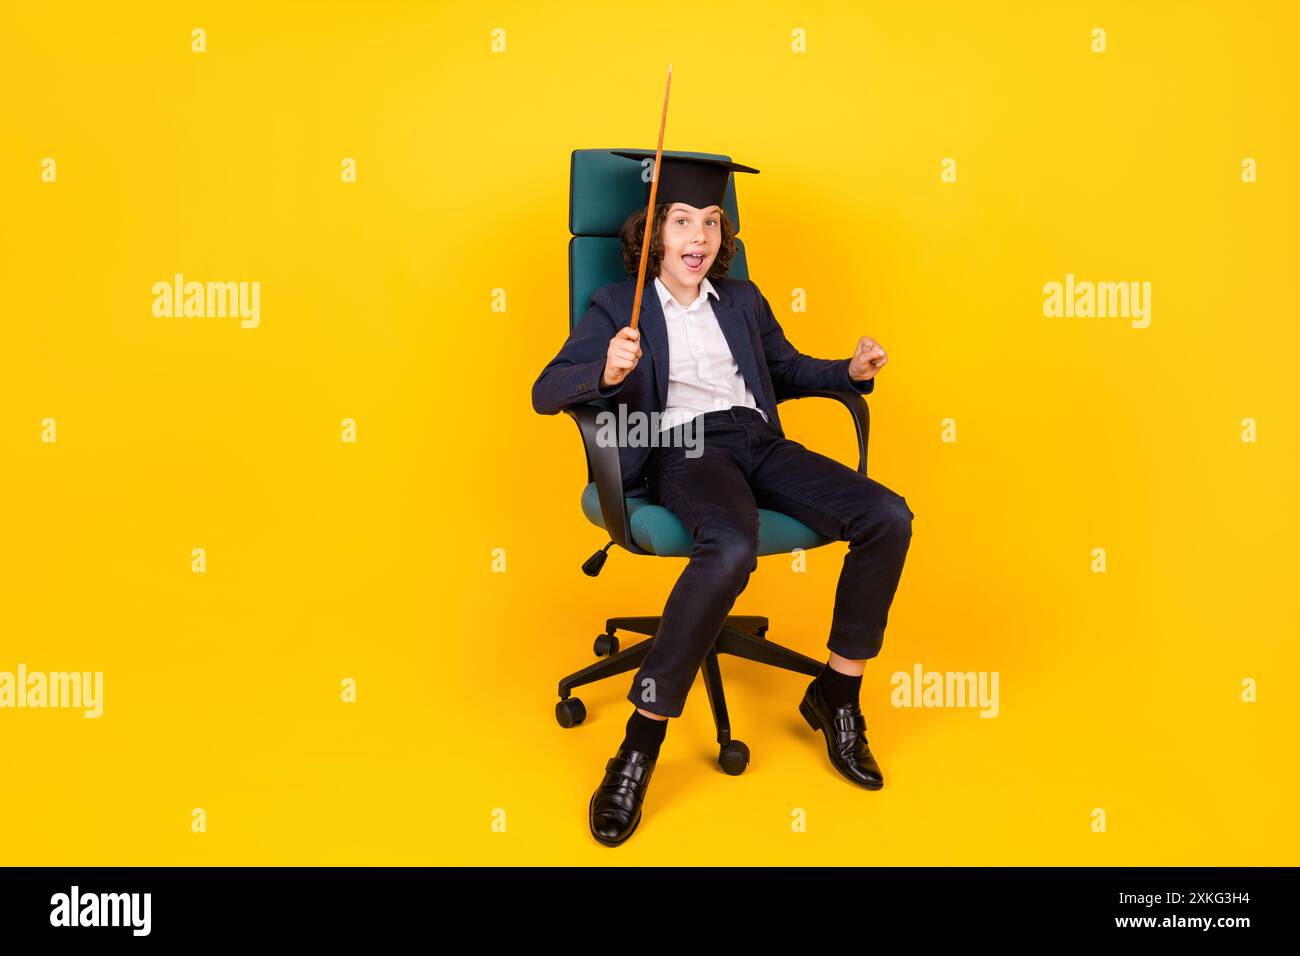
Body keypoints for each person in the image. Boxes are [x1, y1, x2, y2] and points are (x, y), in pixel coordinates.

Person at [532, 151, 914, 847]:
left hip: (760, 442)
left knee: (887, 516)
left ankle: (836, 696)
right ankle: (639, 745)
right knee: (732, 545)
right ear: (653, 235)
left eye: (711, 221)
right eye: (682, 221)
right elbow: (546, 391)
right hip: (685, 448)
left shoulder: (742, 298)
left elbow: (790, 370)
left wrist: (849, 372)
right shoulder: (619, 304)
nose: (700, 237)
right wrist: (605, 368)